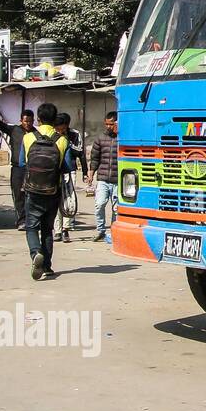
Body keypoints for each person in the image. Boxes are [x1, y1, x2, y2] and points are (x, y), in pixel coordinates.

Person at [22, 102, 71, 280]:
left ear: (39, 119)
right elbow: (67, 167)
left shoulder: (28, 138)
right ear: (55, 118)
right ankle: (48, 266)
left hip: (32, 190)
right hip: (53, 190)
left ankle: (36, 253)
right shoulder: (62, 140)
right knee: (48, 229)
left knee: (31, 226)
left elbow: (22, 163)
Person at [86, 111, 120, 241]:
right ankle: (100, 230)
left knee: (116, 208)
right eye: (106, 124)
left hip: (118, 180)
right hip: (103, 179)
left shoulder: (122, 138)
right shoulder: (100, 138)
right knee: (99, 204)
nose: (108, 126)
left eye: (111, 124)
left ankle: (113, 232)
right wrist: (91, 172)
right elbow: (95, 157)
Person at [53, 112, 87, 243]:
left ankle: (65, 229)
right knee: (55, 200)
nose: (59, 130)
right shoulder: (52, 135)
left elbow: (81, 152)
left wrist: (85, 172)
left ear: (66, 126)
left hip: (70, 170)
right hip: (55, 171)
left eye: (61, 128)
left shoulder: (74, 134)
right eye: (57, 128)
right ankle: (57, 230)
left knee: (68, 199)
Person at [0, 108, 34, 228]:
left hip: (32, 169)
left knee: (31, 195)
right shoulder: (14, 130)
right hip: (17, 169)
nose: (28, 124)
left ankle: (31, 219)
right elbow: (0, 124)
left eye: (30, 121)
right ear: (21, 120)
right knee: (18, 194)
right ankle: (21, 220)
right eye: (25, 121)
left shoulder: (36, 133)